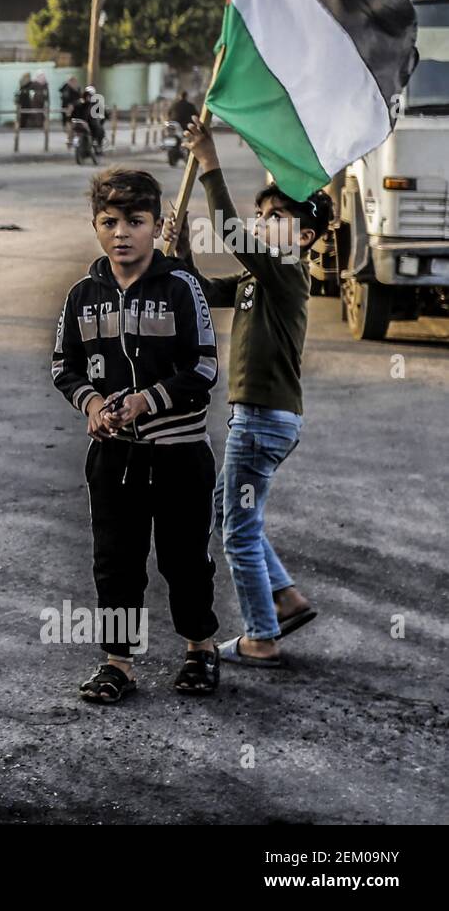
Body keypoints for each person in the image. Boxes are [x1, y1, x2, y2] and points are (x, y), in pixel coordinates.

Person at [51, 167, 221, 703]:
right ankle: (117, 663)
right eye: (110, 221)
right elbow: (64, 366)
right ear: (95, 225)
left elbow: (204, 368)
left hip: (179, 453)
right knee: (116, 561)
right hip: (113, 458)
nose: (122, 233)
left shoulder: (181, 287)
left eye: (135, 221)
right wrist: (95, 403)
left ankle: (200, 649)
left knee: (183, 558)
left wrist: (148, 399)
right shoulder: (82, 295)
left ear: (156, 225)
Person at [165, 120, 322, 668]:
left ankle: (261, 636)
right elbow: (204, 292)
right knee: (226, 511)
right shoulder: (260, 279)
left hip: (260, 419)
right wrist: (182, 251)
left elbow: (231, 232)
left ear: (304, 236)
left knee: (238, 532)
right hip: (258, 418)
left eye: (277, 217)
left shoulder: (285, 268)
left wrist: (209, 162)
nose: (263, 223)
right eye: (264, 214)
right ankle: (286, 598)